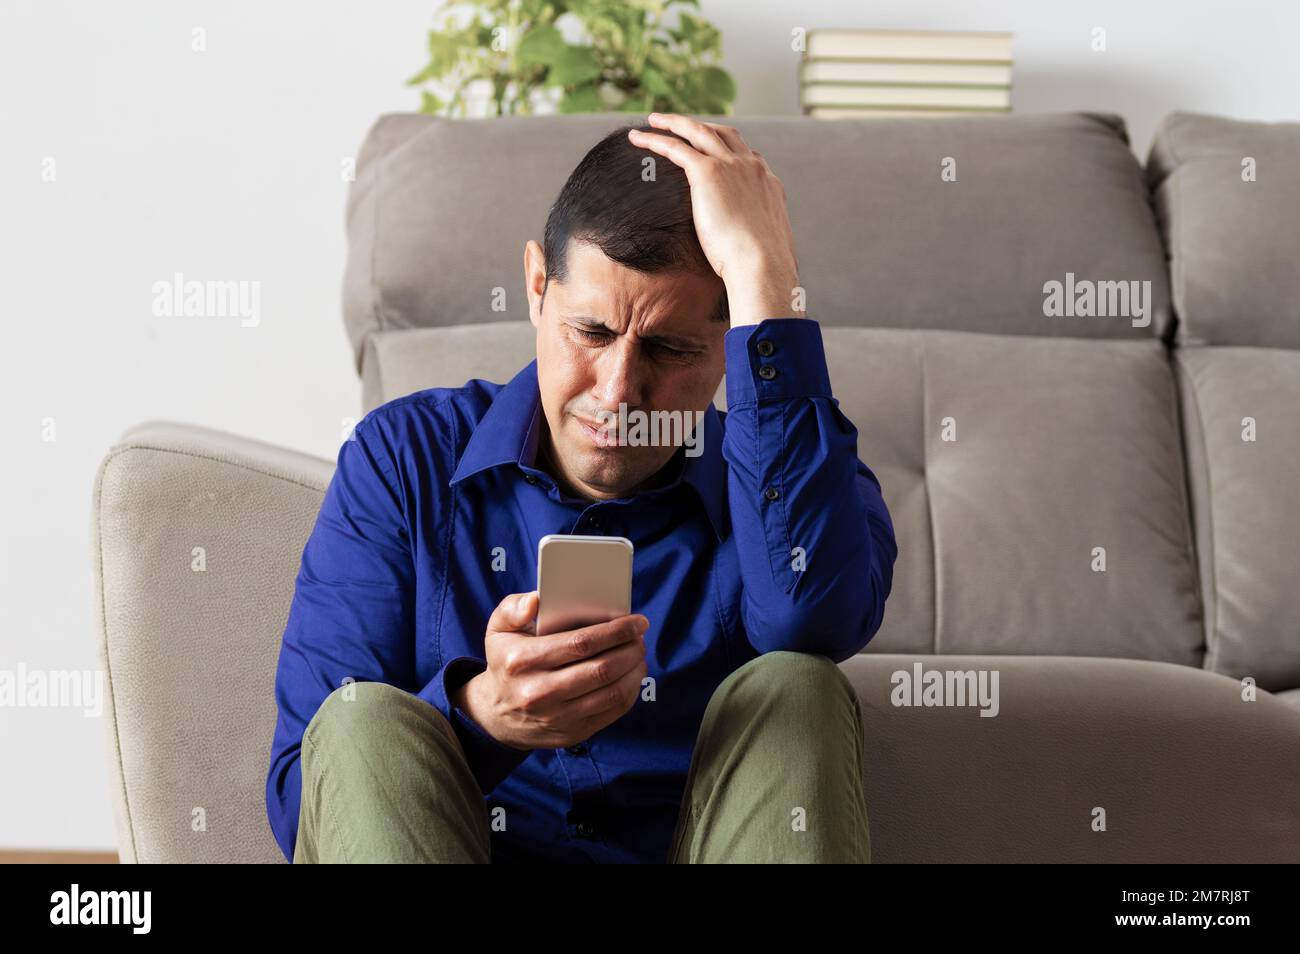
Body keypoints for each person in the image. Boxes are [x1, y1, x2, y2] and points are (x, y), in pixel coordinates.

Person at [265, 112, 897, 863]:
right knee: (359, 718)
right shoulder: (404, 459)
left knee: (798, 686)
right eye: (591, 333)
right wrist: (481, 717)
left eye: (669, 348)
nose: (619, 391)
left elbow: (809, 622)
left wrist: (765, 281)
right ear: (538, 287)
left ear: (728, 345)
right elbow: (307, 796)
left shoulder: (801, 475)